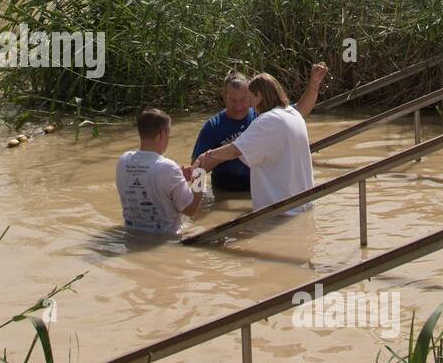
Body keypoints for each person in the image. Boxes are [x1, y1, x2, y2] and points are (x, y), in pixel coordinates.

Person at [192, 64, 328, 195]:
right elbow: (196, 167)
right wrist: (197, 202)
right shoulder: (213, 126)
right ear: (224, 96)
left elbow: (300, 110)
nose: (238, 106)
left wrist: (313, 85)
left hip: (258, 186)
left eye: (243, 99)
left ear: (252, 97)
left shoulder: (263, 115)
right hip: (226, 189)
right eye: (233, 100)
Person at [117, 107, 204, 235]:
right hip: (165, 239)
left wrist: (178, 176)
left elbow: (147, 177)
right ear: (163, 134)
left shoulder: (123, 160)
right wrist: (200, 175)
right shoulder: (167, 167)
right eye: (169, 135)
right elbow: (190, 210)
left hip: (131, 234)